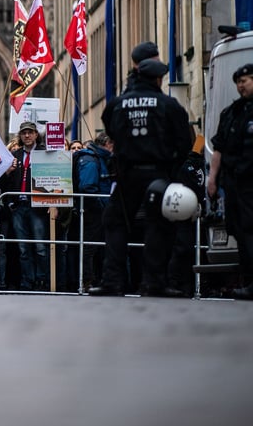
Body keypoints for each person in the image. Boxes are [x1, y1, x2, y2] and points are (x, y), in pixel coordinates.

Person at [89, 57, 192, 297]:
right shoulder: (168, 104)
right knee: (158, 226)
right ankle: (154, 282)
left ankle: (113, 280)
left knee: (115, 224)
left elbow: (109, 127)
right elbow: (184, 141)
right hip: (158, 173)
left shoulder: (119, 103)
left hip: (127, 174)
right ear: (157, 79)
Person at [208, 62, 253, 299]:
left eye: (244, 81)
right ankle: (248, 280)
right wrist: (212, 180)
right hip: (236, 184)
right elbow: (219, 149)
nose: (240, 86)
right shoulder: (232, 112)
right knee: (240, 230)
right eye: (237, 82)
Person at [0, 121, 49, 291]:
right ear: (20, 135)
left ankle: (42, 280)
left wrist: (53, 202)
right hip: (18, 206)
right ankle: (28, 281)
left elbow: (54, 177)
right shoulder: (15, 155)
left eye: (30, 132)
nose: (27, 136)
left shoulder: (45, 154)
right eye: (24, 133)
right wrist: (8, 172)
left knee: (40, 247)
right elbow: (3, 182)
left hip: (37, 206)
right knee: (23, 248)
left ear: (36, 135)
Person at [69, 132, 113, 291]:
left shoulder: (96, 158)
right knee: (89, 248)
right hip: (94, 211)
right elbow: (88, 188)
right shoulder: (90, 160)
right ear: (107, 144)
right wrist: (102, 205)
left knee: (95, 247)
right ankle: (87, 282)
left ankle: (94, 280)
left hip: (96, 209)